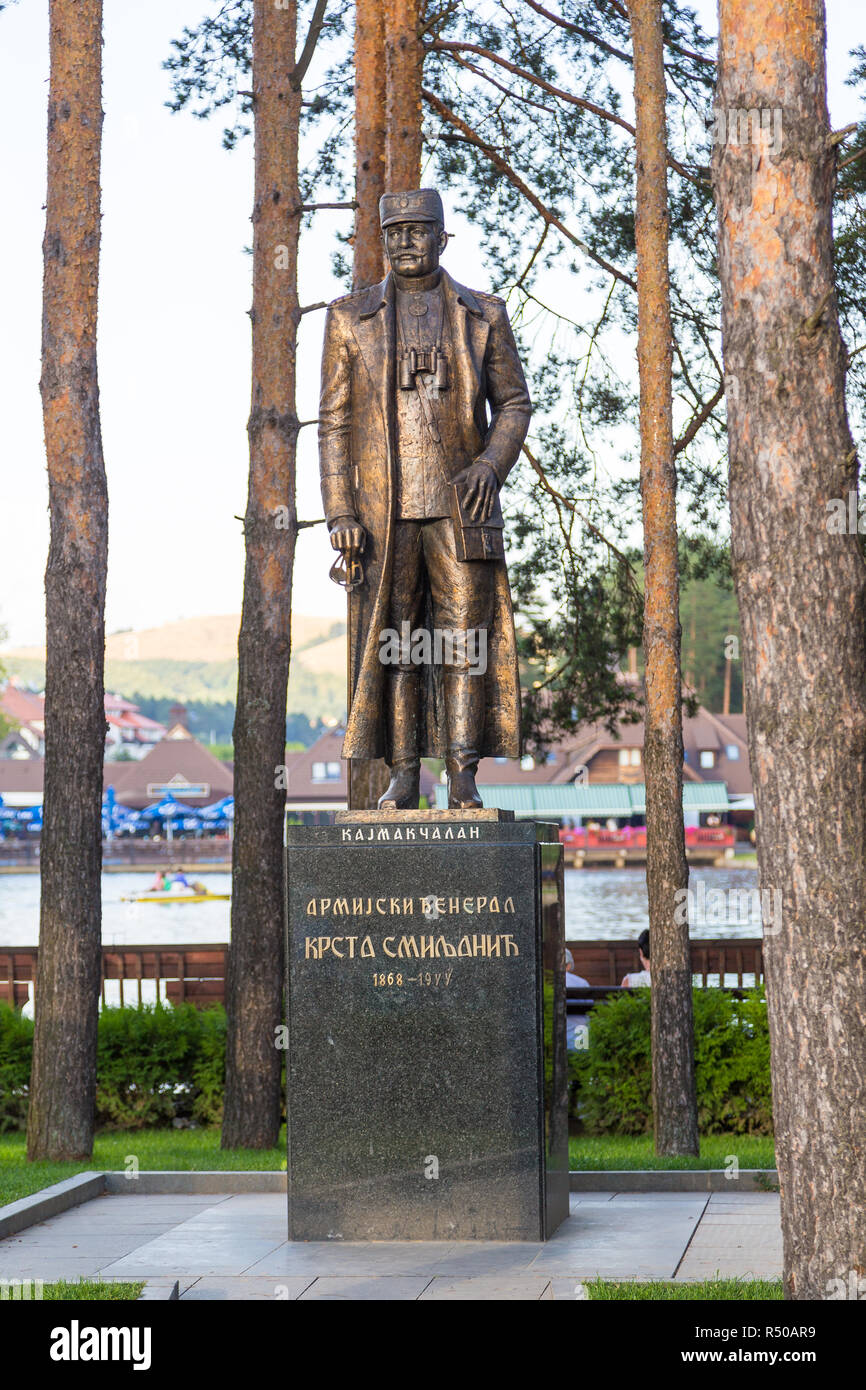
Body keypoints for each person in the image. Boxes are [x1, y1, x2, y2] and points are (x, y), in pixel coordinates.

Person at [320, 187, 531, 810]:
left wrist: (491, 465)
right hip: (385, 516)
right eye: (395, 233)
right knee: (398, 641)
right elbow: (334, 423)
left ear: (443, 237)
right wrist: (340, 511)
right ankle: (405, 774)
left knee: (465, 641)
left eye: (418, 231)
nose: (405, 243)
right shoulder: (348, 318)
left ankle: (463, 776)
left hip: (460, 509)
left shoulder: (483, 314)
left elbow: (513, 403)